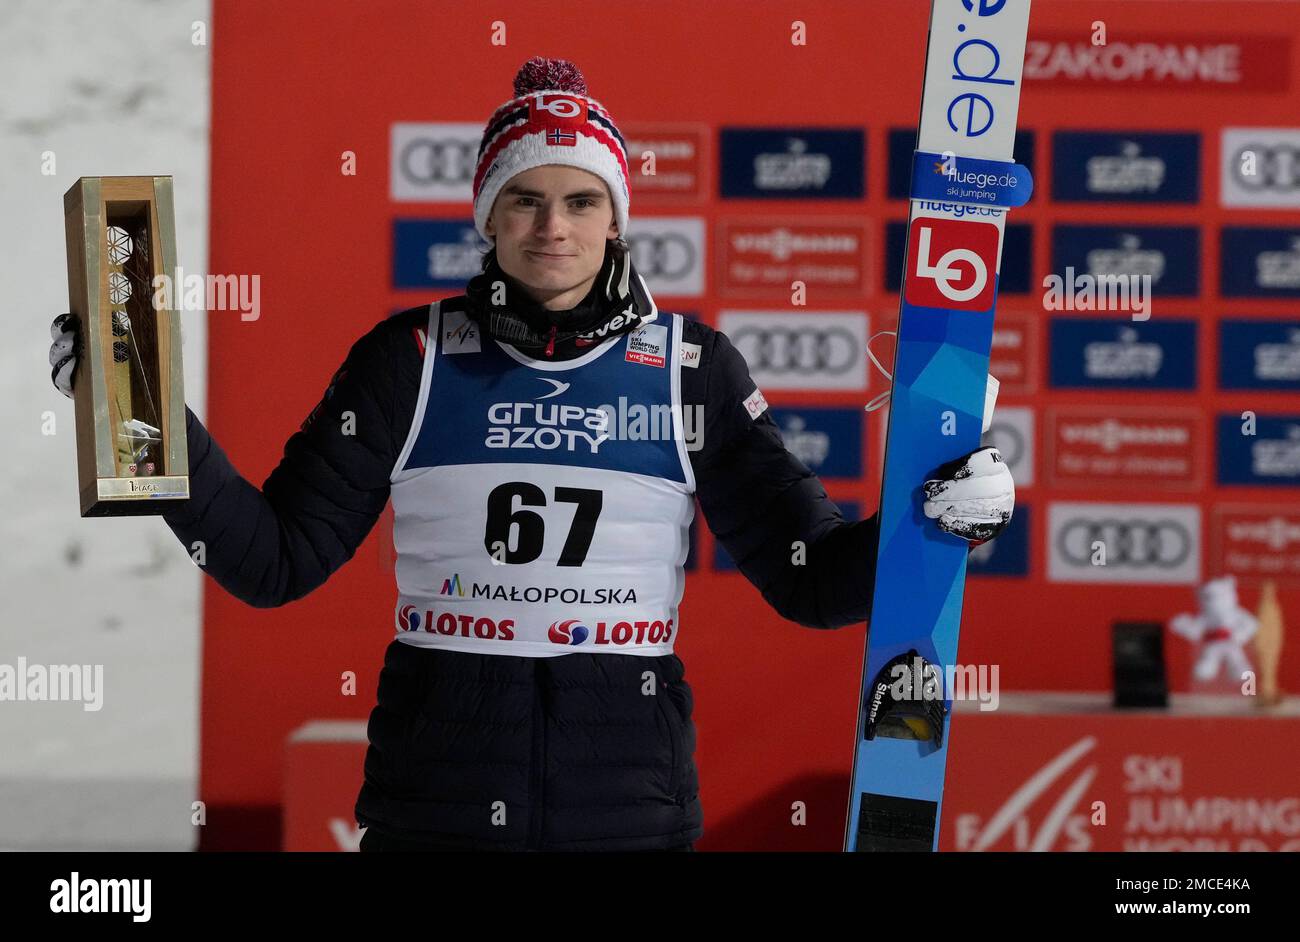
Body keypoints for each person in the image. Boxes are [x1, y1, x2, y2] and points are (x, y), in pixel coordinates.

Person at [47, 56, 1014, 852]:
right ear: (489, 217)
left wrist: (936, 524)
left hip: (628, 818)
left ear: (616, 219)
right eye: (527, 201)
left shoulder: (689, 370)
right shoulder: (411, 359)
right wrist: (137, 415)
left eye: (582, 201)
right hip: (438, 814)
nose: (554, 227)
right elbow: (273, 563)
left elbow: (811, 581)